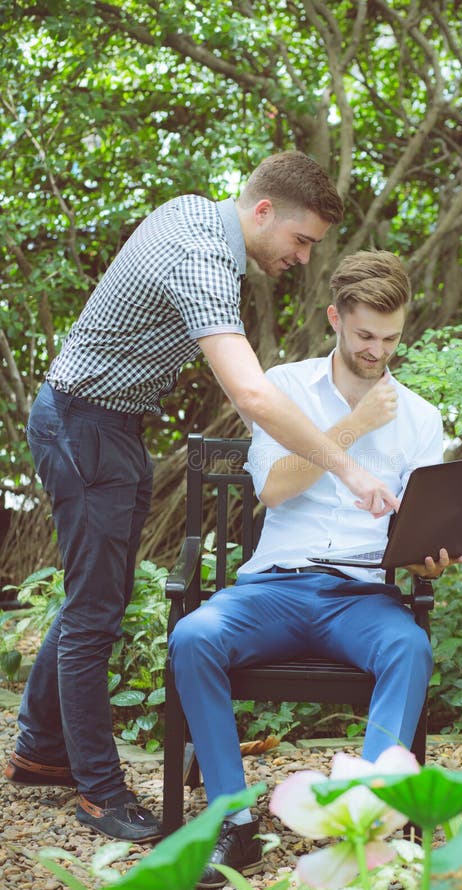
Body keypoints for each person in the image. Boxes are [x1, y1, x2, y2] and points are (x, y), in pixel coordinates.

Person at [4, 152, 401, 843]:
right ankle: (99, 792)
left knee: (96, 595)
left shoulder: (193, 212)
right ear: (263, 211)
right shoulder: (204, 257)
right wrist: (348, 468)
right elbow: (251, 394)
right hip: (83, 425)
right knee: (95, 612)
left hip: (111, 424)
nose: (303, 257)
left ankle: (40, 750)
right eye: (300, 240)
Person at [169, 249, 462, 890]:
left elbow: (417, 527)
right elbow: (274, 489)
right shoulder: (284, 386)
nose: (377, 351)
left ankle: (363, 826)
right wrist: (353, 426)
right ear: (335, 318)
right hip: (274, 588)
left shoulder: (420, 417)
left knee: (410, 648)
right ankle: (234, 821)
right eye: (365, 335)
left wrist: (433, 556)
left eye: (390, 338)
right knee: (193, 636)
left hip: (362, 597)